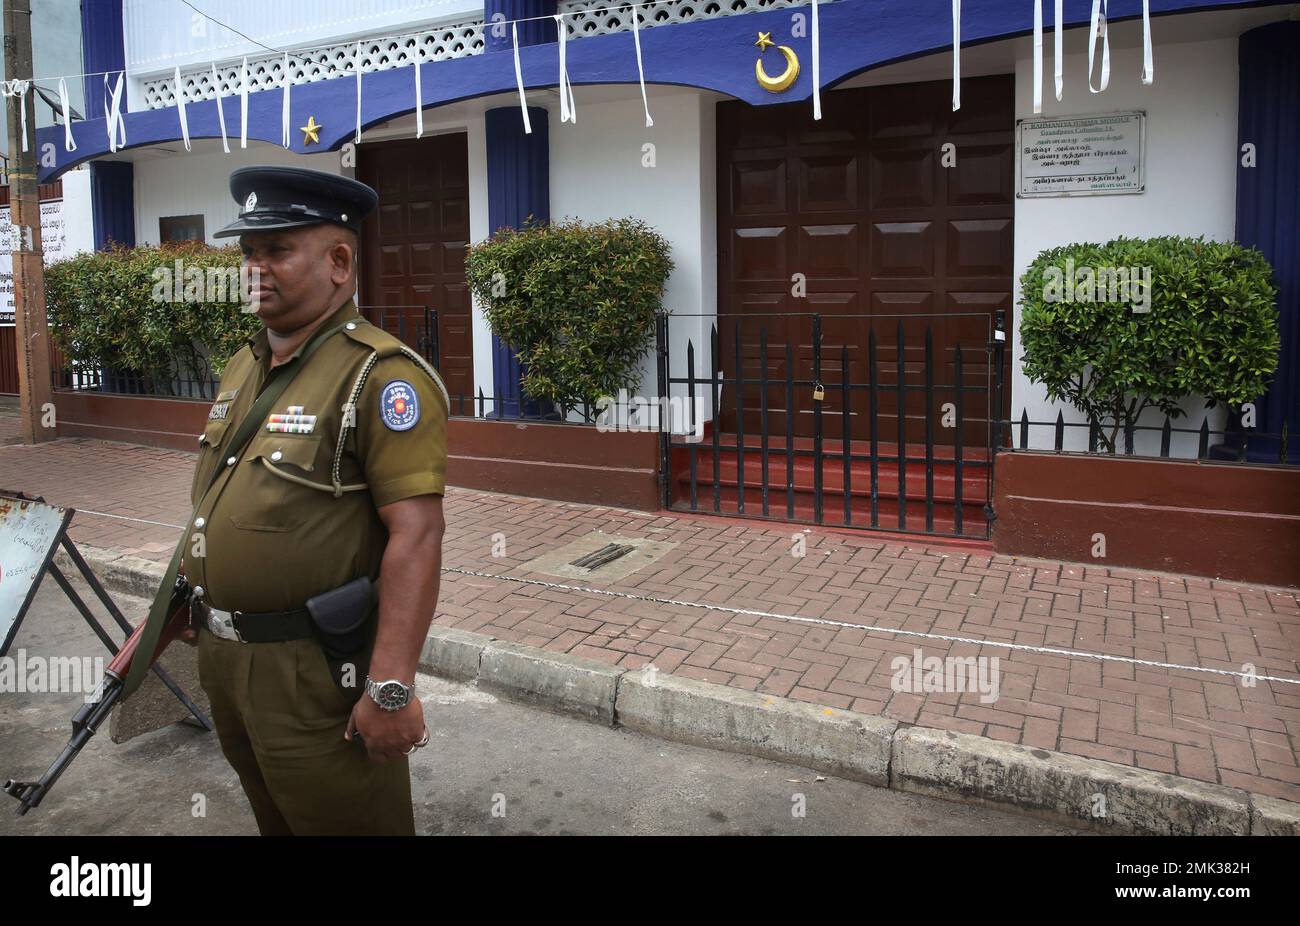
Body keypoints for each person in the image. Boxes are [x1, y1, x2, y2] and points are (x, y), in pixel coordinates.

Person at [172, 165, 448, 835]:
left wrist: (390, 687)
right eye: (248, 253)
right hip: (225, 660)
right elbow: (219, 497)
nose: (254, 268)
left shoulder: (379, 377)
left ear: (339, 261)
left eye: (276, 250)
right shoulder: (246, 364)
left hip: (314, 675)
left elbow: (417, 537)